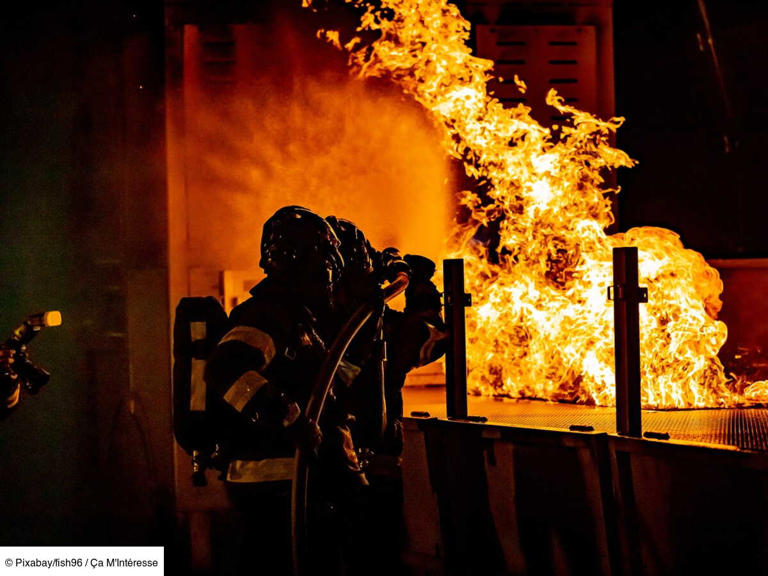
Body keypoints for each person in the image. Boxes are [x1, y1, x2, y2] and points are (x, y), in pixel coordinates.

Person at [204, 205, 361, 575]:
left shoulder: (298, 319)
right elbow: (225, 369)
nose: (330, 270)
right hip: (275, 485)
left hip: (290, 482)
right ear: (305, 260)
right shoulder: (269, 315)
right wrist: (291, 420)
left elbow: (338, 380)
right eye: (325, 258)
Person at [323, 216, 448, 574]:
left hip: (326, 464)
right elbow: (429, 338)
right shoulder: (367, 324)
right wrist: (420, 288)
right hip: (368, 464)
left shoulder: (311, 318)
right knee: (373, 553)